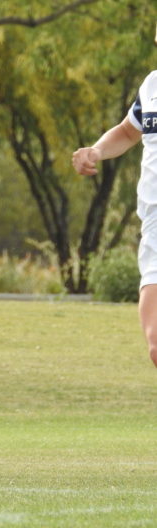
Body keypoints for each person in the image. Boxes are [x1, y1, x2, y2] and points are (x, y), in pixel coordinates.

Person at [72, 24, 157, 368]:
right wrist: (96, 150)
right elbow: (126, 131)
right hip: (155, 221)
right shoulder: (152, 85)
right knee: (155, 345)